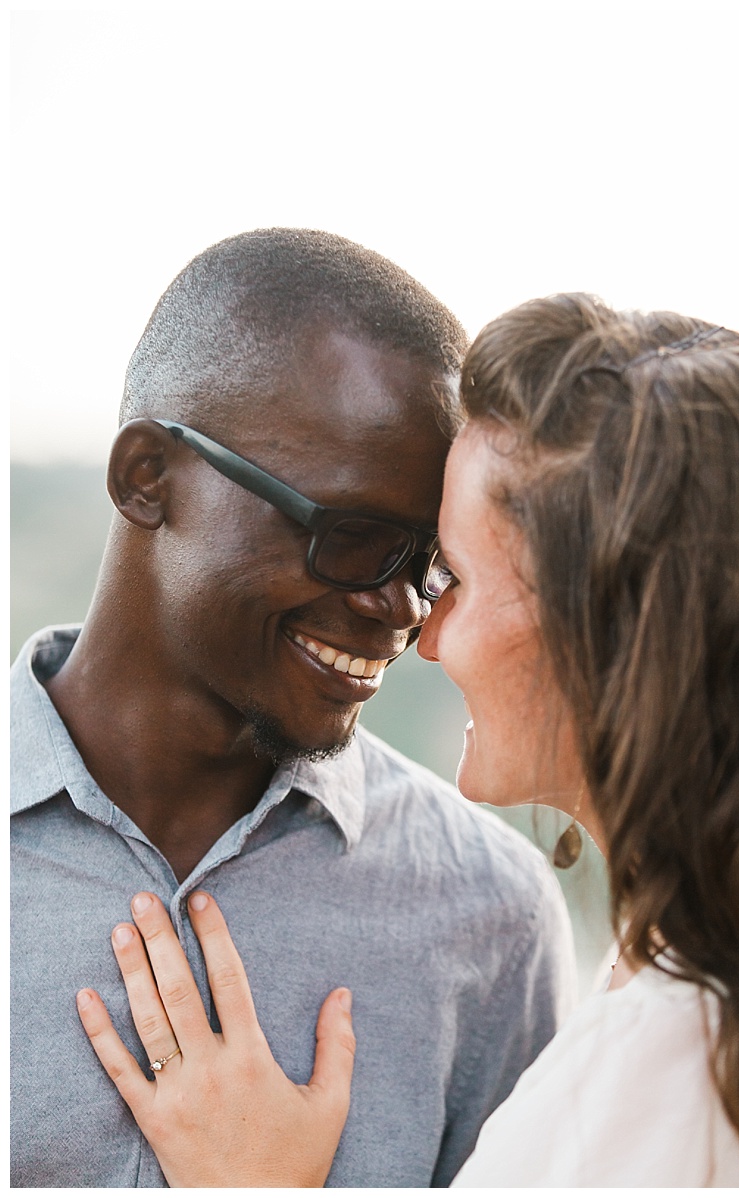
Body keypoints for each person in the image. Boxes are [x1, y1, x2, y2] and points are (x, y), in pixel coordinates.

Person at [76, 294, 739, 1186]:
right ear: (147, 478)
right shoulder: (676, 996)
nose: (421, 624)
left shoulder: (680, 1053)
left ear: (608, 631)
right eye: (353, 539)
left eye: (446, 570)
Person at [19, 229, 574, 1187]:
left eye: (428, 564)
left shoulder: (494, 915)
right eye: (352, 537)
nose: (399, 610)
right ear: (147, 479)